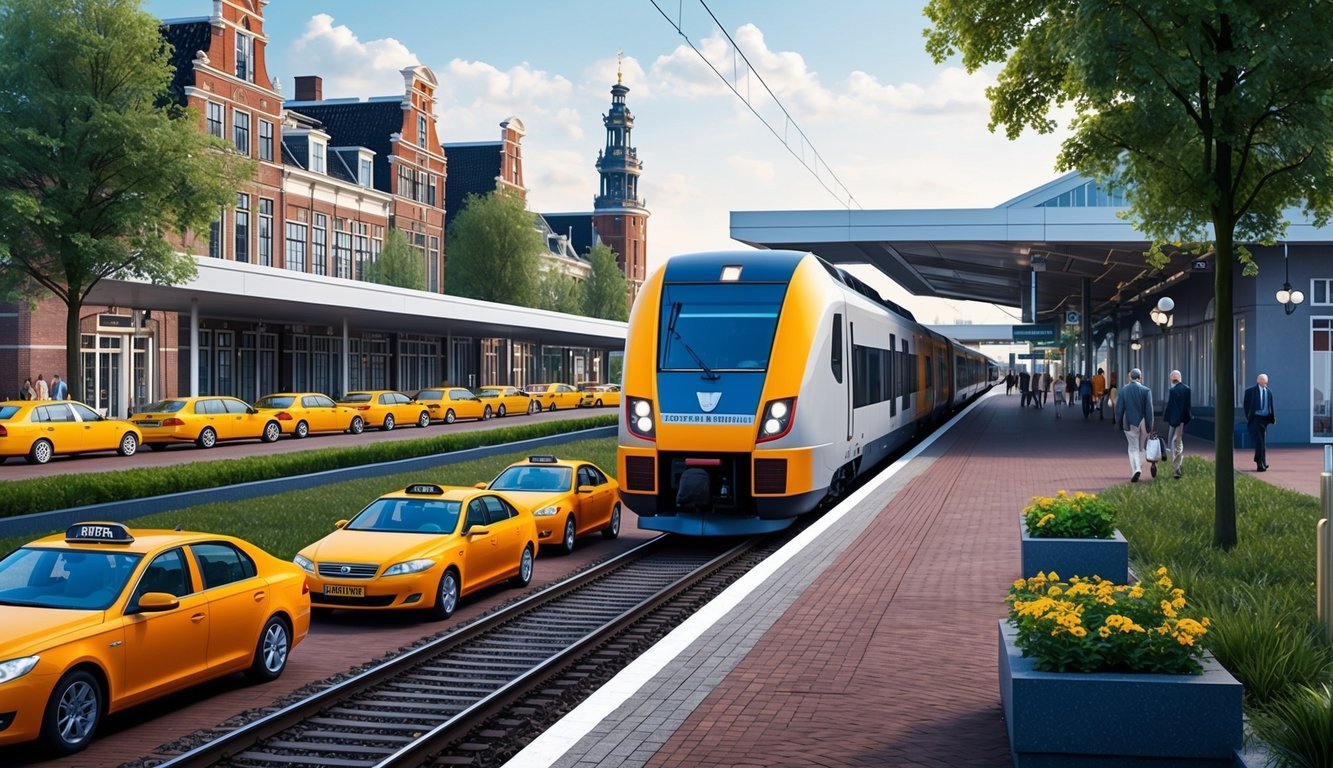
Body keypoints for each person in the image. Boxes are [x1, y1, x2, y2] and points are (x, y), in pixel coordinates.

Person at [1115, 368, 1154, 482]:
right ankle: (1139, 465)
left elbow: (1119, 409)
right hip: (1143, 422)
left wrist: (1118, 423)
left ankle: (1136, 469)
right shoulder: (1146, 391)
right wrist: (1149, 425)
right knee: (1141, 447)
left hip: (1130, 422)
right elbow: (1149, 410)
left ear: (1129, 377)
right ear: (1140, 377)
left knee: (1133, 447)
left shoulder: (1123, 390)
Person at [1242, 373, 1275, 472]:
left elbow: (1271, 406)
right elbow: (1246, 405)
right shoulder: (1251, 391)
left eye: (1265, 380)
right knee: (1259, 441)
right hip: (1256, 418)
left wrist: (1272, 417)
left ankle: (1263, 461)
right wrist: (1249, 417)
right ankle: (1259, 463)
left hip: (1265, 419)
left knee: (1262, 441)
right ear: (1258, 381)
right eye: (1262, 380)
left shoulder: (1269, 392)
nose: (1264, 382)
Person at [1164, 369, 1192, 479]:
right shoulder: (1187, 389)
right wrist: (1184, 421)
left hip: (1174, 421)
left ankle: (1176, 468)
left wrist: (1167, 418)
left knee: (1174, 443)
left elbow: (1170, 406)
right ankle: (1177, 466)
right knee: (1177, 442)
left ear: (1172, 379)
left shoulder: (1172, 391)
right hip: (1182, 420)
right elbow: (1187, 407)